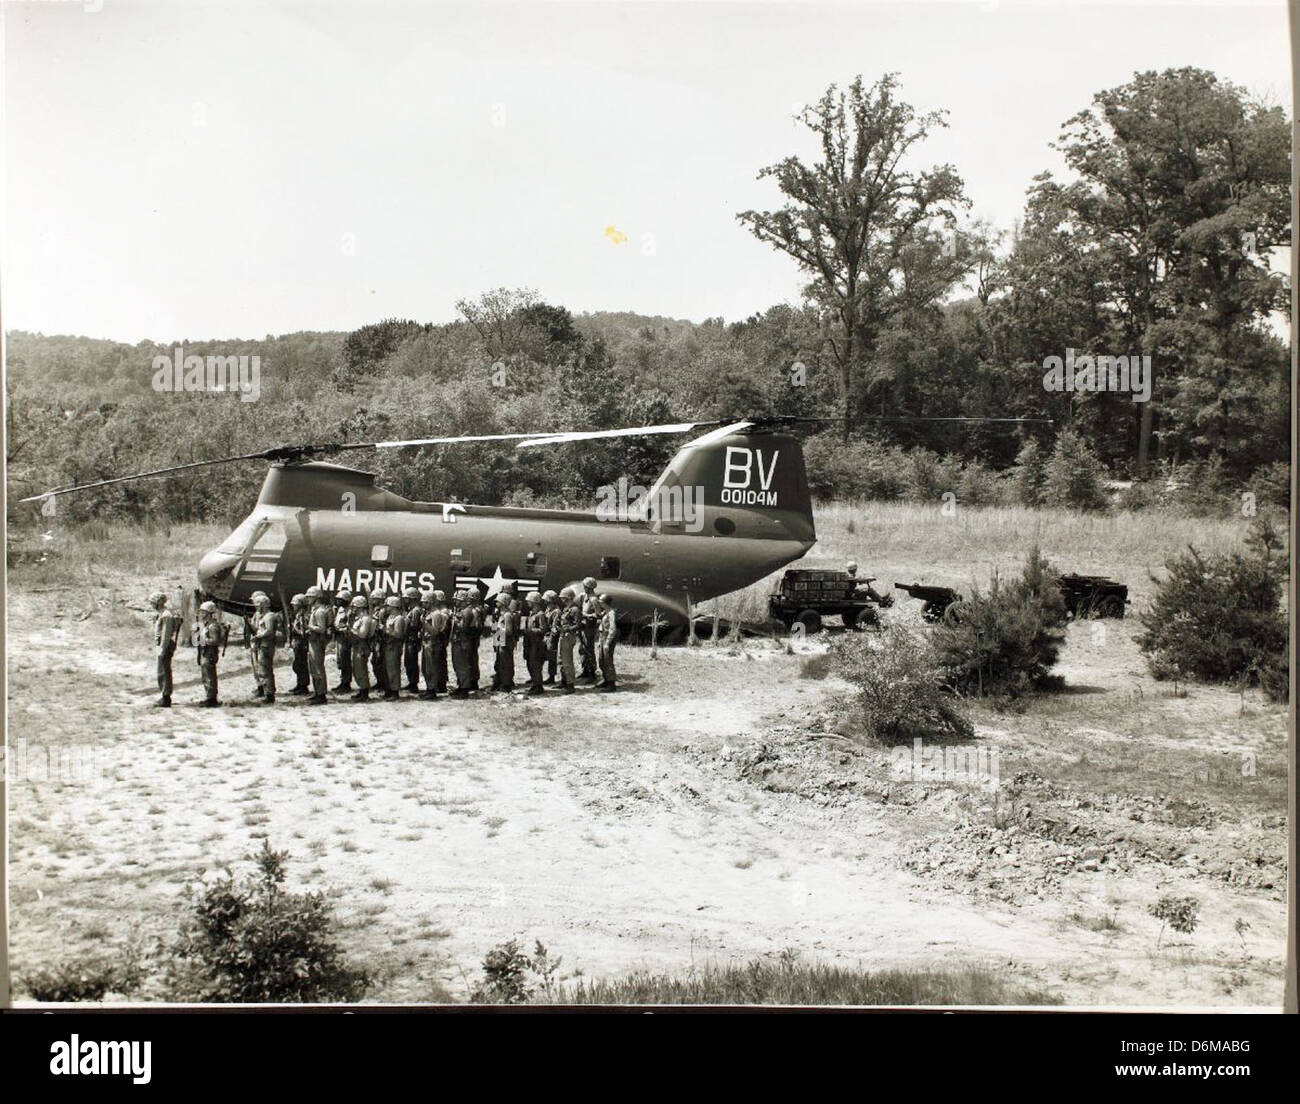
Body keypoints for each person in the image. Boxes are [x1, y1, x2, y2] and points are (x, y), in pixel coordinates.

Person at [150, 590, 182, 707]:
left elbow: (166, 634)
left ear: (159, 602)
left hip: (165, 646)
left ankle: (165, 697)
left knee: (163, 671)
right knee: (163, 671)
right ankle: (165, 695)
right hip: (163, 646)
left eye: (153, 602)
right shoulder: (162, 614)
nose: (151, 605)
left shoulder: (166, 615)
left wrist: (162, 649)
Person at [250, 592, 280, 704]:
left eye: (258, 605)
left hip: (266, 645)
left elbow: (269, 631)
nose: (256, 608)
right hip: (261, 644)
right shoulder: (262, 616)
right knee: (262, 669)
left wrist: (258, 635)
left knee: (265, 669)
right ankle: (266, 691)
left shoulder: (269, 616)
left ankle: (269, 694)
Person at [193, 600, 224, 706]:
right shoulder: (204, 625)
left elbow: (215, 641)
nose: (201, 614)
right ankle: (209, 696)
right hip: (205, 651)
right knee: (206, 674)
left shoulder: (212, 626)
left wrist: (203, 639)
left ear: (209, 613)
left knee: (209, 675)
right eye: (201, 611)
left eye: (203, 612)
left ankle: (211, 698)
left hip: (210, 652)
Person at [421, 590, 450, 698]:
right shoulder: (429, 613)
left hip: (433, 644)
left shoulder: (436, 614)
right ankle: (429, 688)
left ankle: (432, 690)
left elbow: (435, 632)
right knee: (425, 668)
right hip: (427, 643)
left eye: (425, 602)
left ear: (431, 602)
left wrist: (424, 623)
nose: (423, 604)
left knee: (431, 668)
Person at [306, 586, 332, 705]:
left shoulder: (320, 611)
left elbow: (322, 629)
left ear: (316, 598)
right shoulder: (315, 610)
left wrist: (309, 627)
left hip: (317, 641)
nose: (308, 598)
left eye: (310, 596)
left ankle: (321, 695)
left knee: (318, 668)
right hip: (313, 641)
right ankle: (317, 692)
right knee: (313, 668)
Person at [347, 594, 375, 702]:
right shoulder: (359, 618)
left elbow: (363, 634)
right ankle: (361, 690)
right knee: (357, 669)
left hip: (362, 646)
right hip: (357, 645)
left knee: (361, 669)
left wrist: (351, 630)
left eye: (354, 607)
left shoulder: (365, 619)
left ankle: (364, 693)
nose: (352, 609)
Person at [449, 591, 473, 697]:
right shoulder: (461, 611)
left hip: (462, 641)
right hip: (457, 641)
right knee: (457, 665)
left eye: (457, 600)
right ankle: (461, 685)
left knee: (462, 665)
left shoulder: (467, 611)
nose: (455, 601)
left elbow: (464, 627)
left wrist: (455, 620)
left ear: (463, 600)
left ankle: (464, 688)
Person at [381, 595, 406, 700]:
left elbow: (398, 634)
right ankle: (389, 690)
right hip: (387, 645)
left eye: (387, 606)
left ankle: (395, 691)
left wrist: (385, 630)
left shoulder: (399, 618)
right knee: (387, 669)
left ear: (393, 606)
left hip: (394, 646)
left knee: (393, 669)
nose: (386, 608)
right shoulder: (390, 617)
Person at [492, 594, 517, 692]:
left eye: (498, 601)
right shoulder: (500, 613)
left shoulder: (507, 615)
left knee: (506, 663)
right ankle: (500, 681)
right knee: (499, 662)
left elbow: (509, 631)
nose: (496, 603)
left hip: (506, 641)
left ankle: (506, 684)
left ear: (503, 602)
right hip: (500, 640)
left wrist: (499, 629)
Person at [556, 588, 580, 693]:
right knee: (561, 660)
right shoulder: (566, 609)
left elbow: (578, 625)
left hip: (568, 637)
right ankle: (564, 681)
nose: (561, 599)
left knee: (567, 661)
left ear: (568, 598)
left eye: (563, 597)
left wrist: (567, 629)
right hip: (563, 636)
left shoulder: (575, 610)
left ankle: (570, 685)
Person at [524, 591, 548, 694]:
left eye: (529, 600)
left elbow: (543, 629)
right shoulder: (531, 614)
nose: (527, 602)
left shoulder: (540, 614)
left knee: (535, 664)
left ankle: (538, 686)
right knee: (529, 663)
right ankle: (535, 683)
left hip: (537, 643)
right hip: (530, 642)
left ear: (534, 602)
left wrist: (531, 631)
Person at [579, 576, 600, 682]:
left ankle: (592, 673)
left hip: (590, 628)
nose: (584, 587)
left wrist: (586, 615)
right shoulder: (584, 597)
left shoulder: (593, 599)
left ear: (589, 587)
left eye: (585, 586)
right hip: (584, 627)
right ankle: (585, 670)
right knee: (582, 649)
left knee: (589, 650)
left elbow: (598, 615)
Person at [332, 588, 354, 693]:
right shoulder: (340, 610)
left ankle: (346, 683)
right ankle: (342, 682)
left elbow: (350, 627)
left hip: (346, 638)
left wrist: (340, 629)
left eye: (341, 599)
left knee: (345, 660)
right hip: (339, 638)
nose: (338, 601)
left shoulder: (350, 612)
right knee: (340, 660)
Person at [288, 593, 310, 694]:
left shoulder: (303, 616)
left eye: (295, 604)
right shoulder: (298, 615)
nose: (293, 606)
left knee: (300, 664)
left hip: (301, 642)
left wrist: (293, 627)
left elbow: (303, 631)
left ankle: (303, 686)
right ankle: (300, 684)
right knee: (297, 664)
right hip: (298, 642)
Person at [402, 586, 423, 692]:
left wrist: (406, 622)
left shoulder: (415, 611)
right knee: (408, 662)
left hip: (412, 639)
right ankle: (411, 682)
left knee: (411, 662)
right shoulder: (412, 610)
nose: (405, 600)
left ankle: (414, 684)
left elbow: (415, 625)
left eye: (407, 598)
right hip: (409, 638)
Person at [596, 594, 618, 691]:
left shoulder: (611, 613)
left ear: (605, 602)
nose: (599, 602)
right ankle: (606, 679)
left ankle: (611, 683)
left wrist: (607, 642)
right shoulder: (605, 612)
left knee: (608, 660)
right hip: (602, 637)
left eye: (600, 601)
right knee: (601, 660)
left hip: (607, 637)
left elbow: (612, 629)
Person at [369, 588, 388, 692]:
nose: (372, 600)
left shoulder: (383, 611)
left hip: (381, 638)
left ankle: (383, 682)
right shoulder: (377, 610)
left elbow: (383, 625)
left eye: (374, 598)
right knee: (375, 660)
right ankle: (380, 681)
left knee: (380, 660)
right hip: (376, 638)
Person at [466, 590, 484, 692]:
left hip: (472, 637)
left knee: (471, 659)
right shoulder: (480, 609)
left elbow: (477, 625)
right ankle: (472, 680)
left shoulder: (475, 610)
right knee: (472, 658)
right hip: (475, 637)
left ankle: (472, 681)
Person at [543, 590, 561, 684]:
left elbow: (554, 627)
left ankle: (551, 676)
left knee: (551, 657)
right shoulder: (548, 609)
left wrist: (552, 638)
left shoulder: (556, 611)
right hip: (545, 635)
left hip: (551, 636)